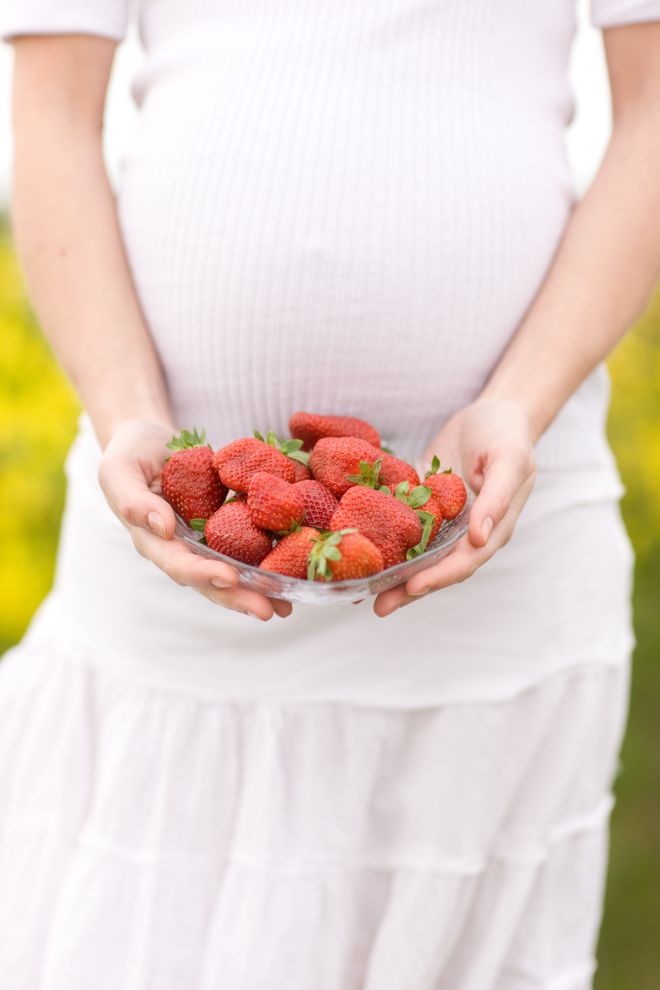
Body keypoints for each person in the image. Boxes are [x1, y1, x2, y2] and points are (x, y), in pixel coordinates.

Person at [0, 1, 659, 987]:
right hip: (163, 611)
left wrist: (519, 402)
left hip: (497, 600)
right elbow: (50, 111)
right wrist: (129, 415)